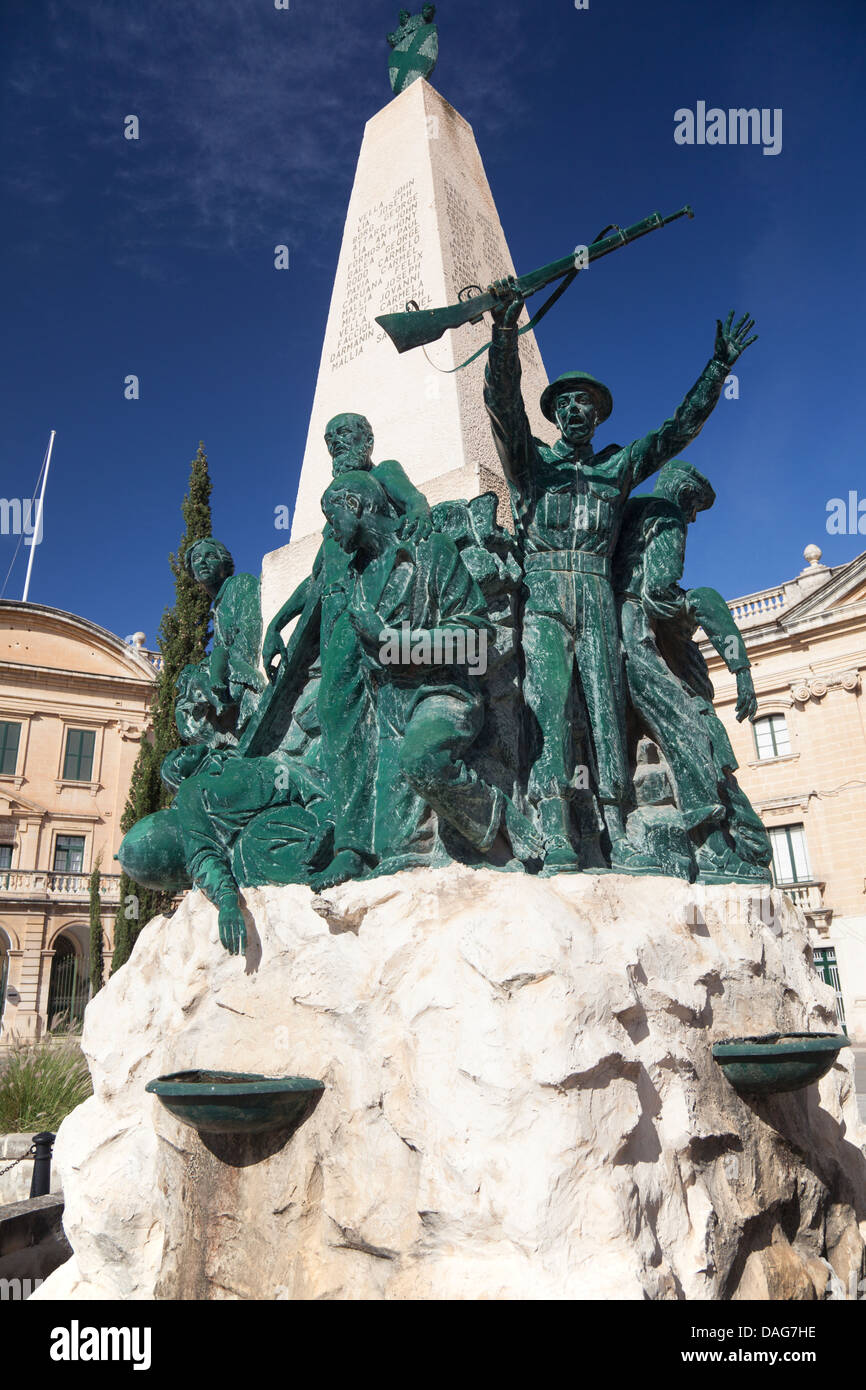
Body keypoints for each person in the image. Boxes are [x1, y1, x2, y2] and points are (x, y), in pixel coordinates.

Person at [483, 281, 757, 872]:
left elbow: (675, 432)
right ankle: (555, 825)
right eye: (567, 404)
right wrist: (504, 336)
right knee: (549, 705)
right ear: (554, 413)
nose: (576, 411)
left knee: (607, 712)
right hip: (546, 590)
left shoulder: (618, 465)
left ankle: (619, 823)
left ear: (599, 415)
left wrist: (716, 371)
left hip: (596, 591)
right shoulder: (531, 462)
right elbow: (502, 407)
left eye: (588, 404)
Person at [311, 470, 543, 889]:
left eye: (332, 517)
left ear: (355, 506)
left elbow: (475, 638)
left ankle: (501, 814)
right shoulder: (358, 584)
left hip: (443, 695)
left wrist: (394, 642)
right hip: (389, 716)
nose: (330, 531)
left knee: (422, 761)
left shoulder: (429, 553)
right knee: (398, 858)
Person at [613, 459, 771, 881]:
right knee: (689, 732)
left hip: (609, 629)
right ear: (684, 494)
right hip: (633, 633)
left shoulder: (628, 509)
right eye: (696, 506)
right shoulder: (665, 516)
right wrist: (691, 609)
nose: (694, 517)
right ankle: (712, 846)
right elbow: (660, 589)